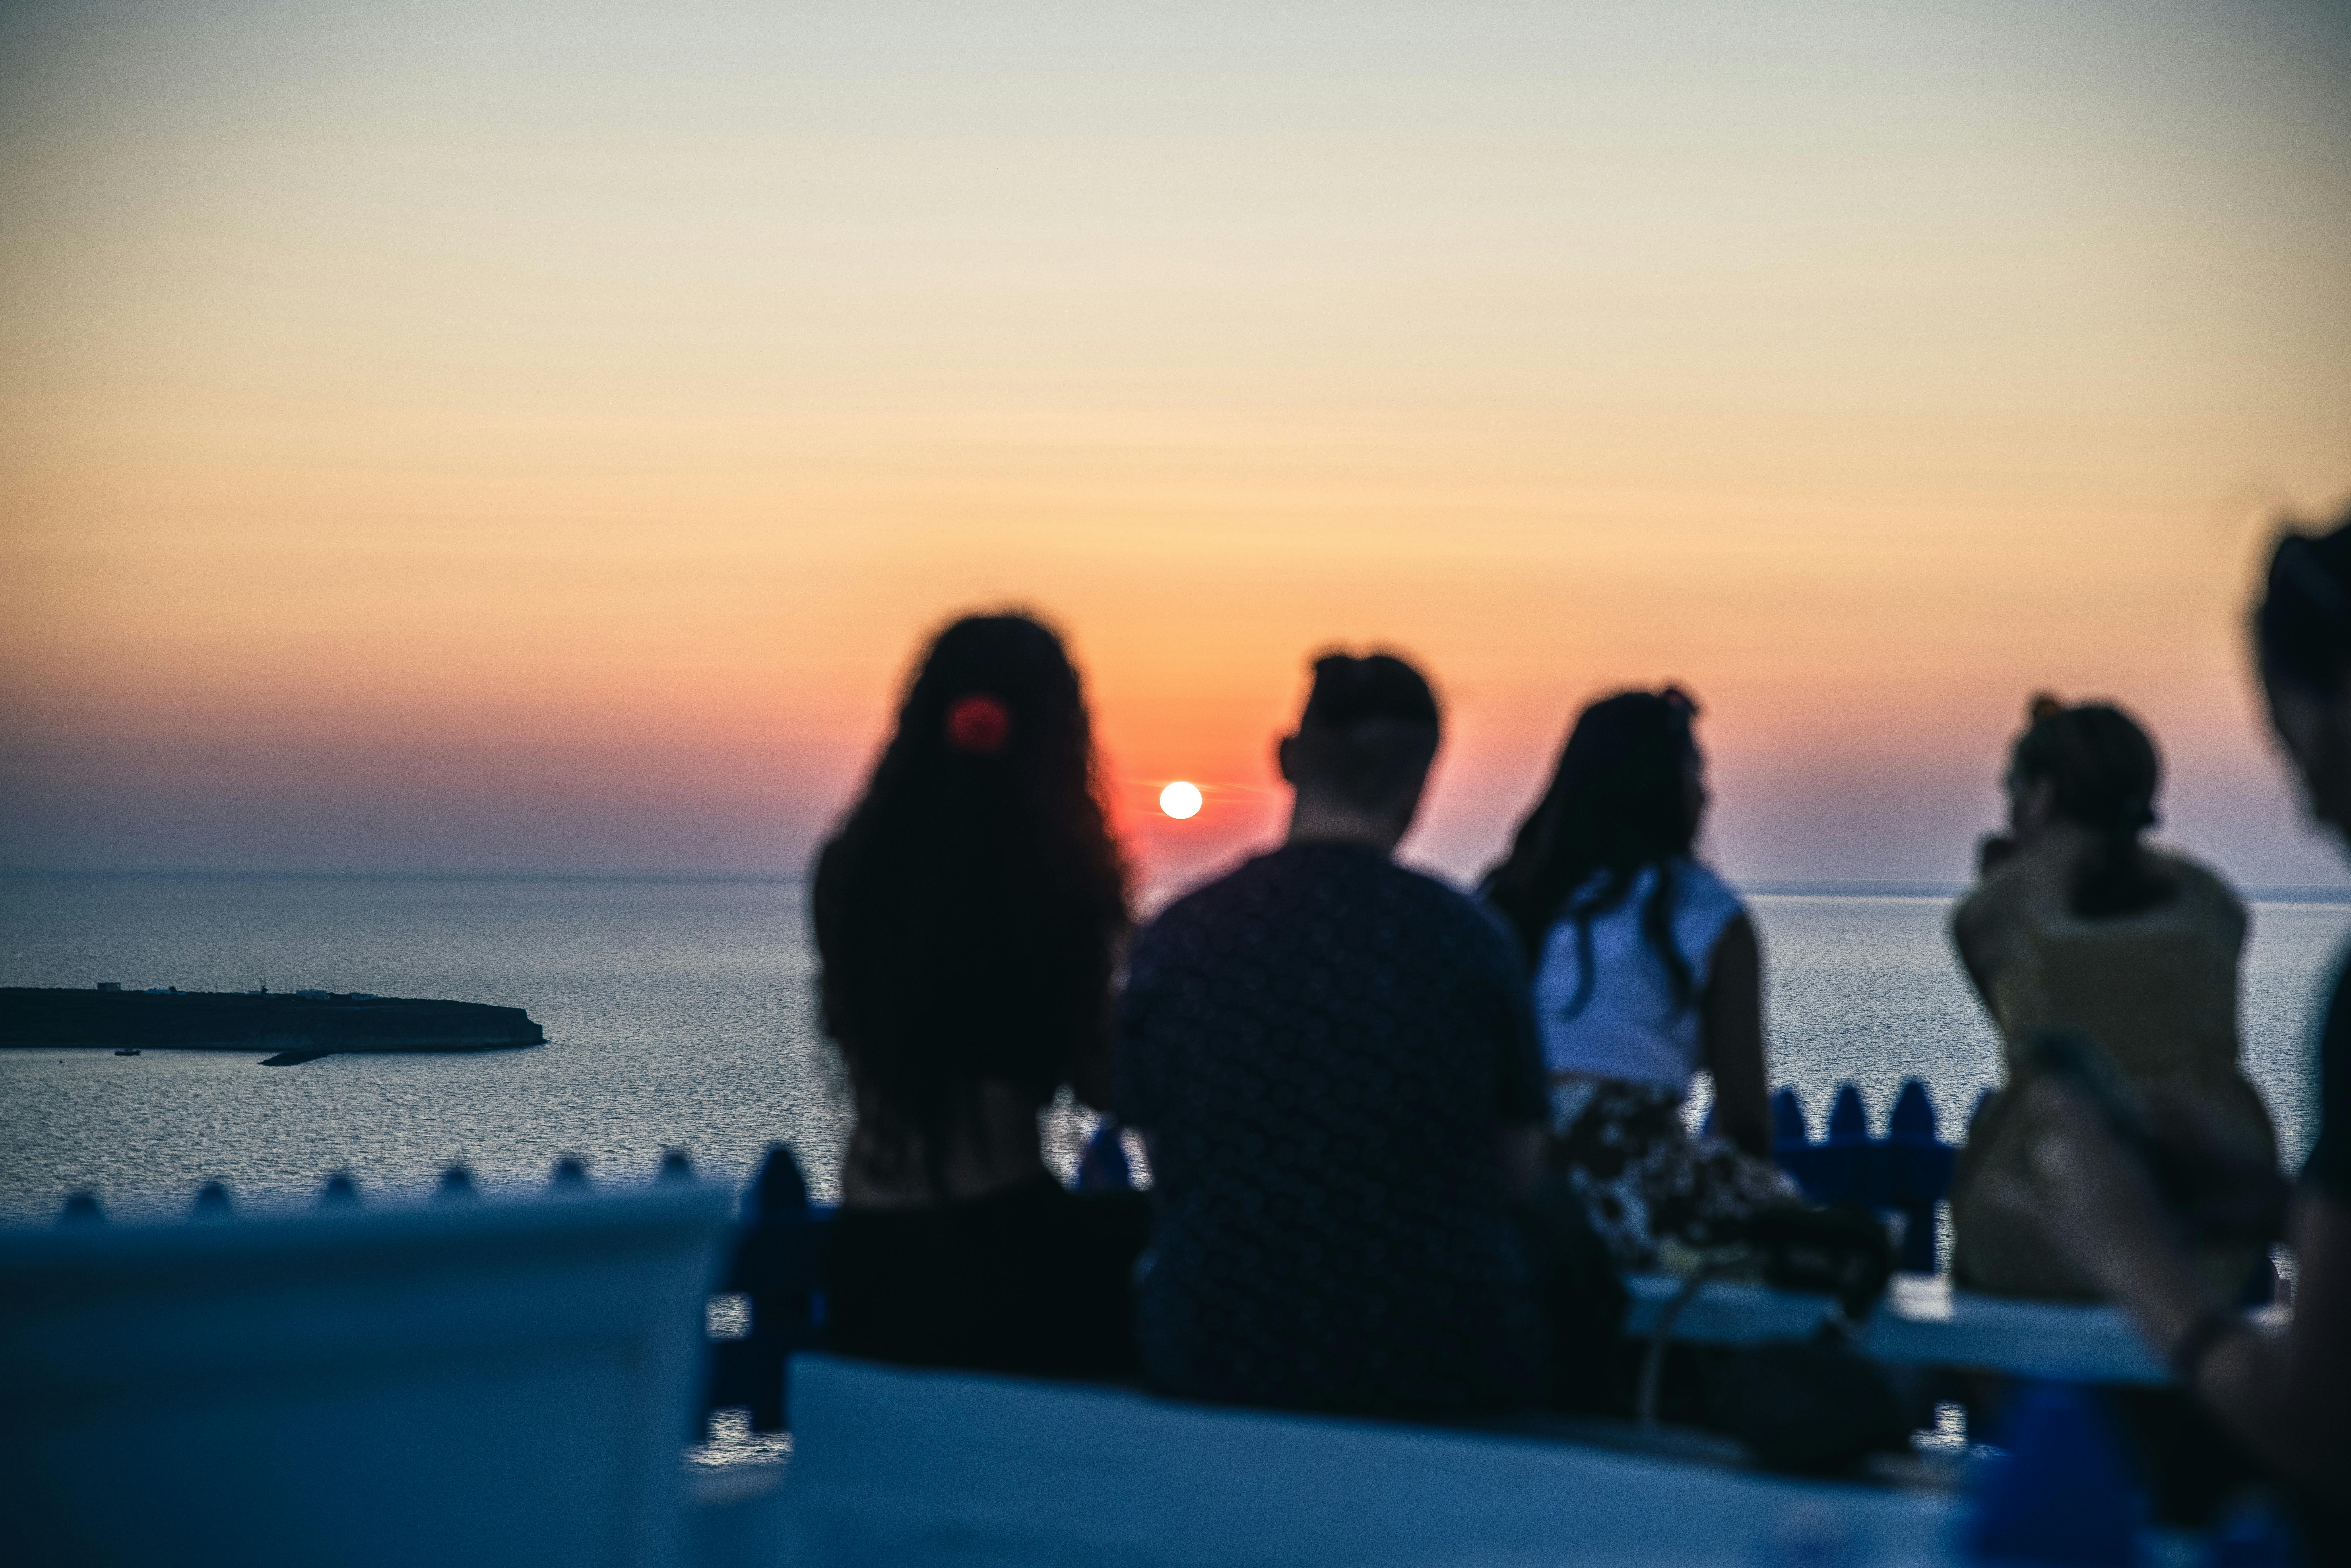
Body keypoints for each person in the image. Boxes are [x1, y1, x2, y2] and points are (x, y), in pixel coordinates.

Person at [2009, 513, 2351, 1536]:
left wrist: (2131, 1258)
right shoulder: (2210, 904)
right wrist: (2270, 1201)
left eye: (2278, 714)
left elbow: (2318, 1426)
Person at [1114, 652, 1558, 1416]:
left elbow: (1167, 1164)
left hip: (1216, 1346)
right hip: (1440, 1353)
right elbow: (1519, 1175)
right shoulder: (1472, 944)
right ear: (1423, 778)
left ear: (1287, 759)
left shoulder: (1178, 939)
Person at [810, 612, 1148, 1379]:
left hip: (873, 1241)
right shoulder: (1063, 880)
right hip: (1008, 1238)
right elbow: (1102, 1080)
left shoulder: (849, 871)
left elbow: (843, 1021)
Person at [1947, 695, 2278, 1302]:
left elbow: (2020, 1028)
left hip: (2042, 1221)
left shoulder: (1993, 913)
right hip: (2205, 1231)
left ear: (2041, 796)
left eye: (2012, 789)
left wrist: (1998, 880)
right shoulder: (2214, 903)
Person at [1479, 688, 1789, 1272]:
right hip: (1627, 1178)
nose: (1708, 791)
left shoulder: (1505, 902)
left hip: (1502, 1188)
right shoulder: (1710, 913)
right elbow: (1747, 1121)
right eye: (1697, 769)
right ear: (1664, 785)